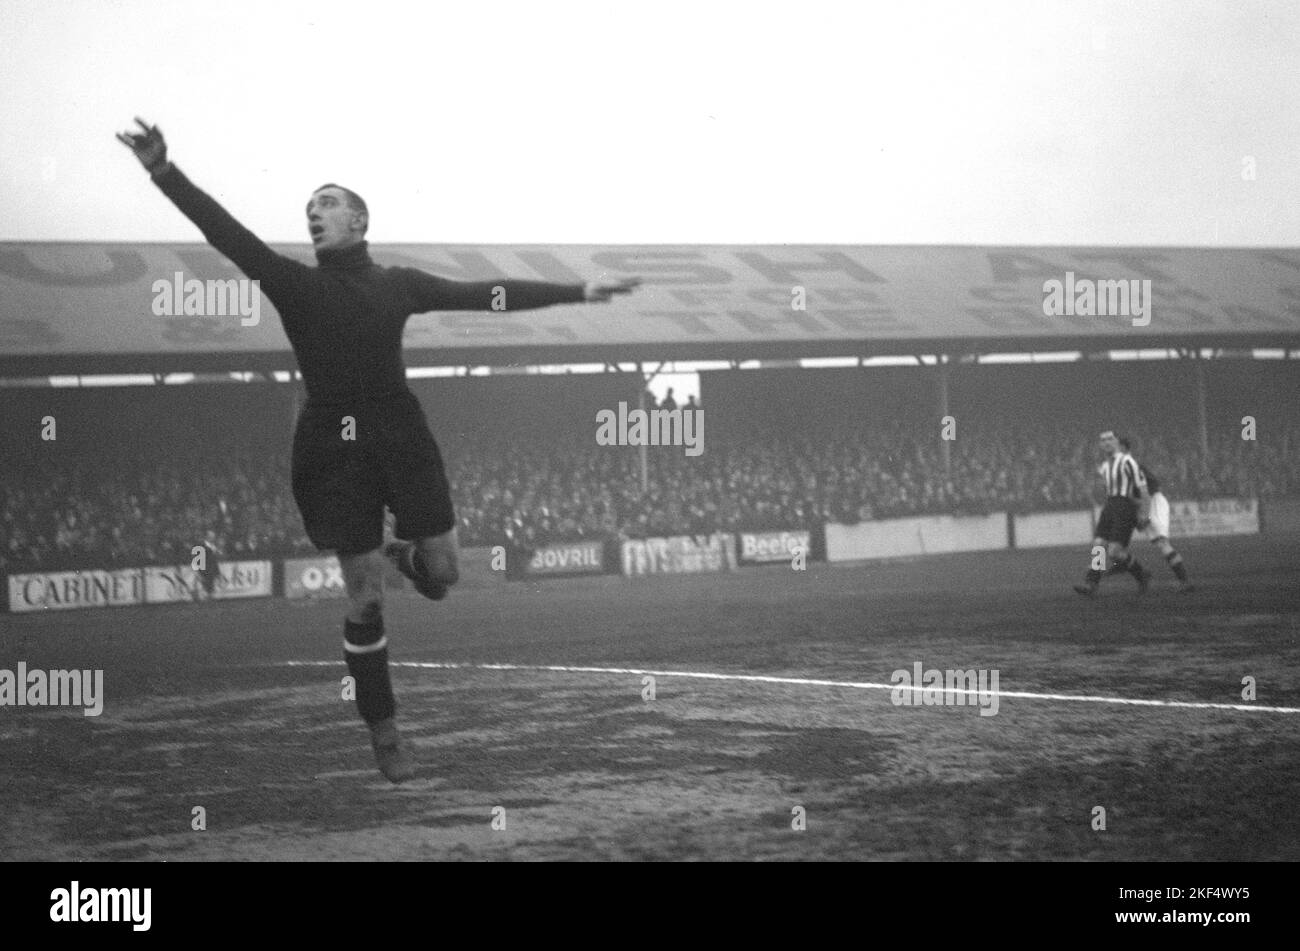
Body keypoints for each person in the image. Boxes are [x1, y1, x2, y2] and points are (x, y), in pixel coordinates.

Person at [118, 118, 641, 781]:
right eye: (309, 208)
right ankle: (385, 729)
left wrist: (578, 290)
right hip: (334, 447)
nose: (314, 213)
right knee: (365, 592)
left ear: (360, 222)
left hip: (399, 430)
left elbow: (483, 297)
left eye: (328, 204)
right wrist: (164, 170)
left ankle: (404, 553)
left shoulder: (397, 283)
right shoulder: (293, 284)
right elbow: (226, 234)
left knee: (445, 574)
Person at [1074, 430, 1152, 596]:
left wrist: (1144, 514)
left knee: (1115, 553)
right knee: (1099, 545)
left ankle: (1141, 574)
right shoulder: (1104, 466)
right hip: (1110, 506)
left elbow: (1144, 490)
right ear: (1101, 445)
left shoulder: (1128, 462)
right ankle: (1091, 584)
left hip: (1125, 507)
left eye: (1110, 439)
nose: (1107, 442)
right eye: (1104, 440)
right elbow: (1107, 488)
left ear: (1116, 442)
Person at [1120, 438, 1194, 593]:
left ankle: (1184, 581)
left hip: (1153, 502)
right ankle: (1141, 574)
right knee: (1120, 544)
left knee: (1162, 543)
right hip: (1149, 502)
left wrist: (1143, 514)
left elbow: (1144, 493)